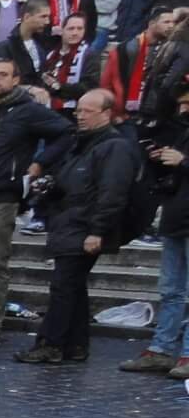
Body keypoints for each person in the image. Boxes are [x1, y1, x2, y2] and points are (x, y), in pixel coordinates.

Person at [18, 86, 135, 363]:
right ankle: (76, 344)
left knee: (63, 286)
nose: (79, 116)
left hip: (83, 226)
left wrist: (97, 230)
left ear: (106, 114)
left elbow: (113, 192)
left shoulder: (113, 147)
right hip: (70, 223)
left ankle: (51, 343)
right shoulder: (82, 145)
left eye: (87, 111)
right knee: (73, 287)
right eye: (78, 110)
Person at [122, 77, 189, 375]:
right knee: (170, 289)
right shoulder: (181, 131)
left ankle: (186, 353)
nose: (183, 108)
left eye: (188, 102)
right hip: (177, 217)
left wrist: (184, 161)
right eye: (182, 103)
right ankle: (162, 349)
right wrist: (158, 160)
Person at [42, 16, 102, 112]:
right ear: (62, 30)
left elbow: (90, 87)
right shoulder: (50, 54)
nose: (75, 33)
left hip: (75, 109)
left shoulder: (89, 55)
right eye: (71, 29)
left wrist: (59, 87)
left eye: (80, 29)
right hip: (48, 107)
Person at [0, 0, 55, 89]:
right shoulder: (6, 47)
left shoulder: (41, 44)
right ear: (27, 17)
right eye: (43, 16)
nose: (47, 22)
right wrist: (28, 89)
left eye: (48, 17)